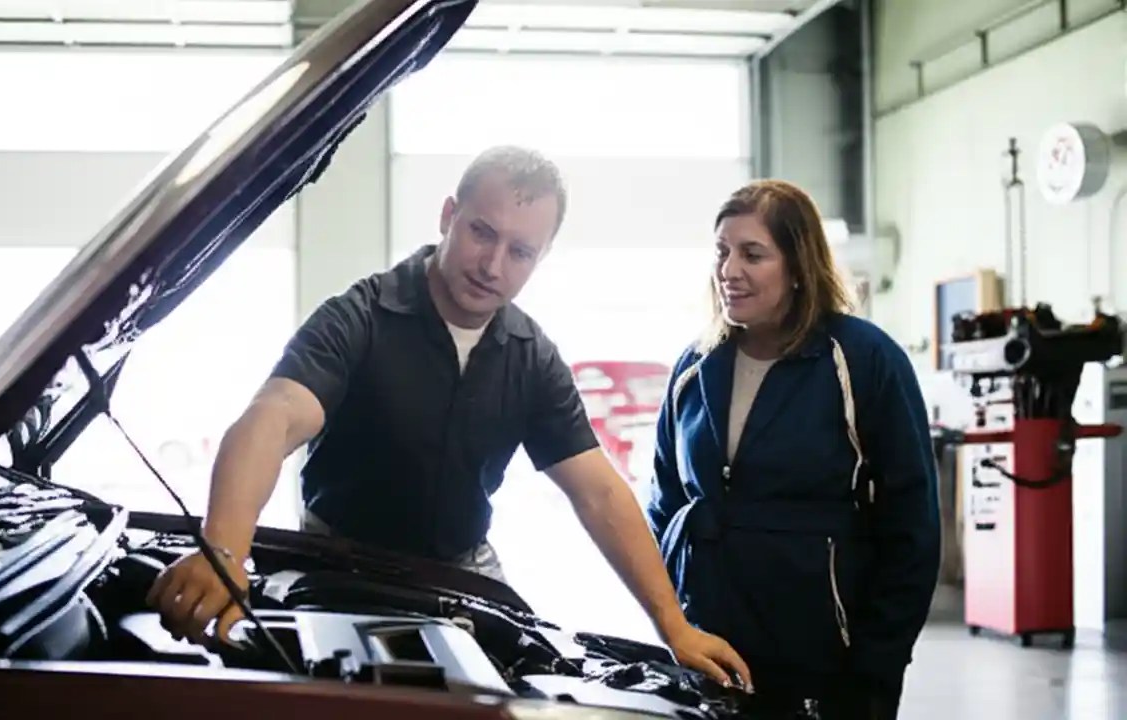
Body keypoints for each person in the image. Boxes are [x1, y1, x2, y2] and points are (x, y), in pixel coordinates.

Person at [147, 145, 753, 690]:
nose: (493, 264)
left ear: (539, 259)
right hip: (336, 560)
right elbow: (273, 418)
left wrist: (675, 627)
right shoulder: (360, 316)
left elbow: (597, 491)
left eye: (519, 251)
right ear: (447, 217)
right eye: (481, 233)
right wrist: (224, 548)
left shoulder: (531, 356)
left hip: (463, 568)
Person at [646, 180, 940, 719]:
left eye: (752, 254)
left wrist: (879, 663)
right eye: (722, 252)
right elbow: (663, 502)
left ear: (799, 264)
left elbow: (912, 523)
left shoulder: (863, 359)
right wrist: (674, 621)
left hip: (828, 660)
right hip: (709, 652)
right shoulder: (694, 366)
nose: (729, 270)